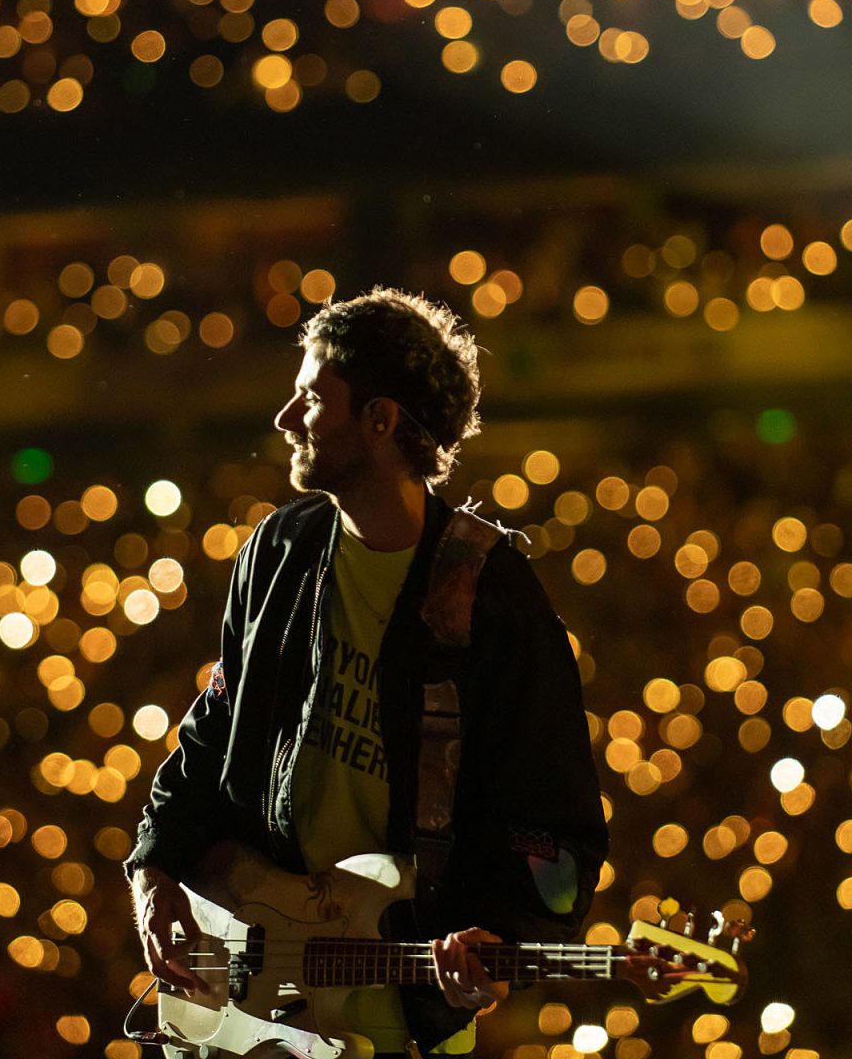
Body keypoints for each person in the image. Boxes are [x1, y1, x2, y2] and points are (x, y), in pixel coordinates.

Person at [126, 287, 607, 1057]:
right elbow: (212, 734)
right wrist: (153, 873)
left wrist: (501, 937)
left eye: (313, 397)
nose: (286, 419)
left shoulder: (492, 600)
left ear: (380, 422)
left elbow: (557, 831)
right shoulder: (278, 551)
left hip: (396, 1015)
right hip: (257, 994)